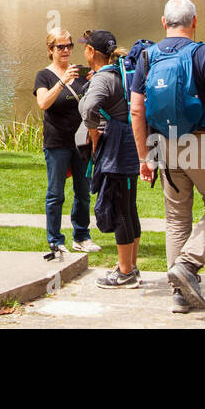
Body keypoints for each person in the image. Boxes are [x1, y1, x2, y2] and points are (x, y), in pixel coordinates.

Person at [130, 0, 205, 314]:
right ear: (194, 22)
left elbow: (137, 111)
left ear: (164, 23)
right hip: (200, 143)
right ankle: (188, 266)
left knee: (177, 218)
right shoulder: (203, 54)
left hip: (164, 146)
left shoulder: (147, 57)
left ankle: (180, 295)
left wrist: (144, 157)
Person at [77, 29, 141, 287]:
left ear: (92, 52)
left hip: (117, 150)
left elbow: (90, 108)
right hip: (130, 145)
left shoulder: (103, 79)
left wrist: (93, 135)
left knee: (120, 210)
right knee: (129, 207)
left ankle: (125, 272)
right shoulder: (120, 73)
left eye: (85, 47)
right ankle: (131, 267)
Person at [34, 28, 99, 254]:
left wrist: (93, 81)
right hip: (57, 141)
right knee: (56, 193)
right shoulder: (45, 76)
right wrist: (62, 81)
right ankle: (55, 240)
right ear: (50, 50)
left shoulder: (79, 73)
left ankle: (82, 236)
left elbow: (89, 104)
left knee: (83, 190)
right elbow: (43, 103)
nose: (66, 51)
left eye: (69, 46)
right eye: (60, 47)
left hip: (81, 142)